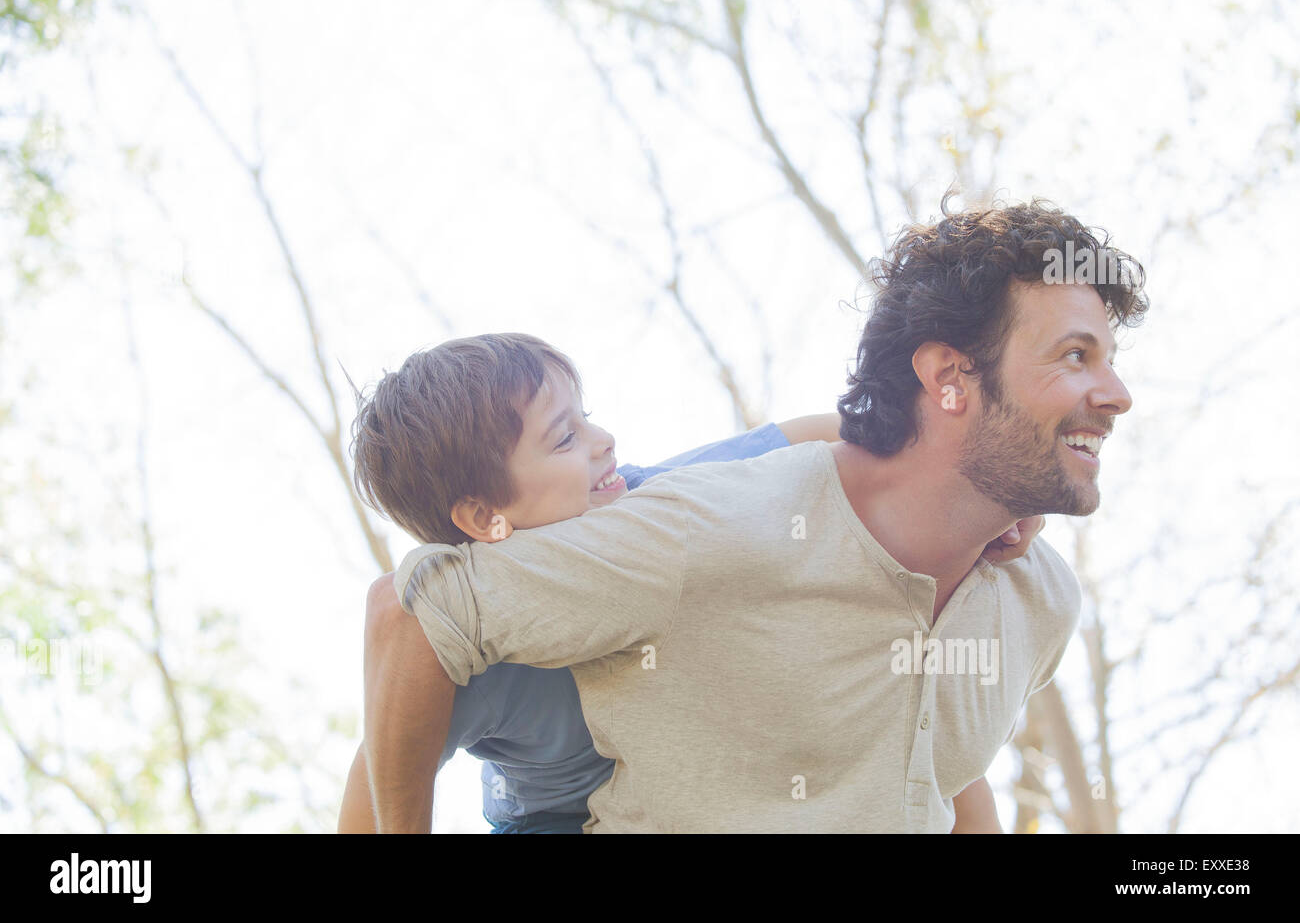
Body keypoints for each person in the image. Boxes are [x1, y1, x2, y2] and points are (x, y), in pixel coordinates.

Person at [368, 196, 1148, 832]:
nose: (1117, 394)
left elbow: (937, 774)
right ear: (948, 375)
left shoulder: (1036, 600)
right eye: (1076, 356)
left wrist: (991, 495)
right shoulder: (681, 532)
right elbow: (403, 617)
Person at [337, 332, 1046, 832]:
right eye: (563, 438)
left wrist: (978, 486)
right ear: (485, 516)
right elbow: (383, 750)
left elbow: (816, 440)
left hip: (725, 767)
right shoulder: (474, 650)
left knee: (917, 721)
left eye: (585, 416)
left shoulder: (659, 504)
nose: (603, 439)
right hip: (571, 820)